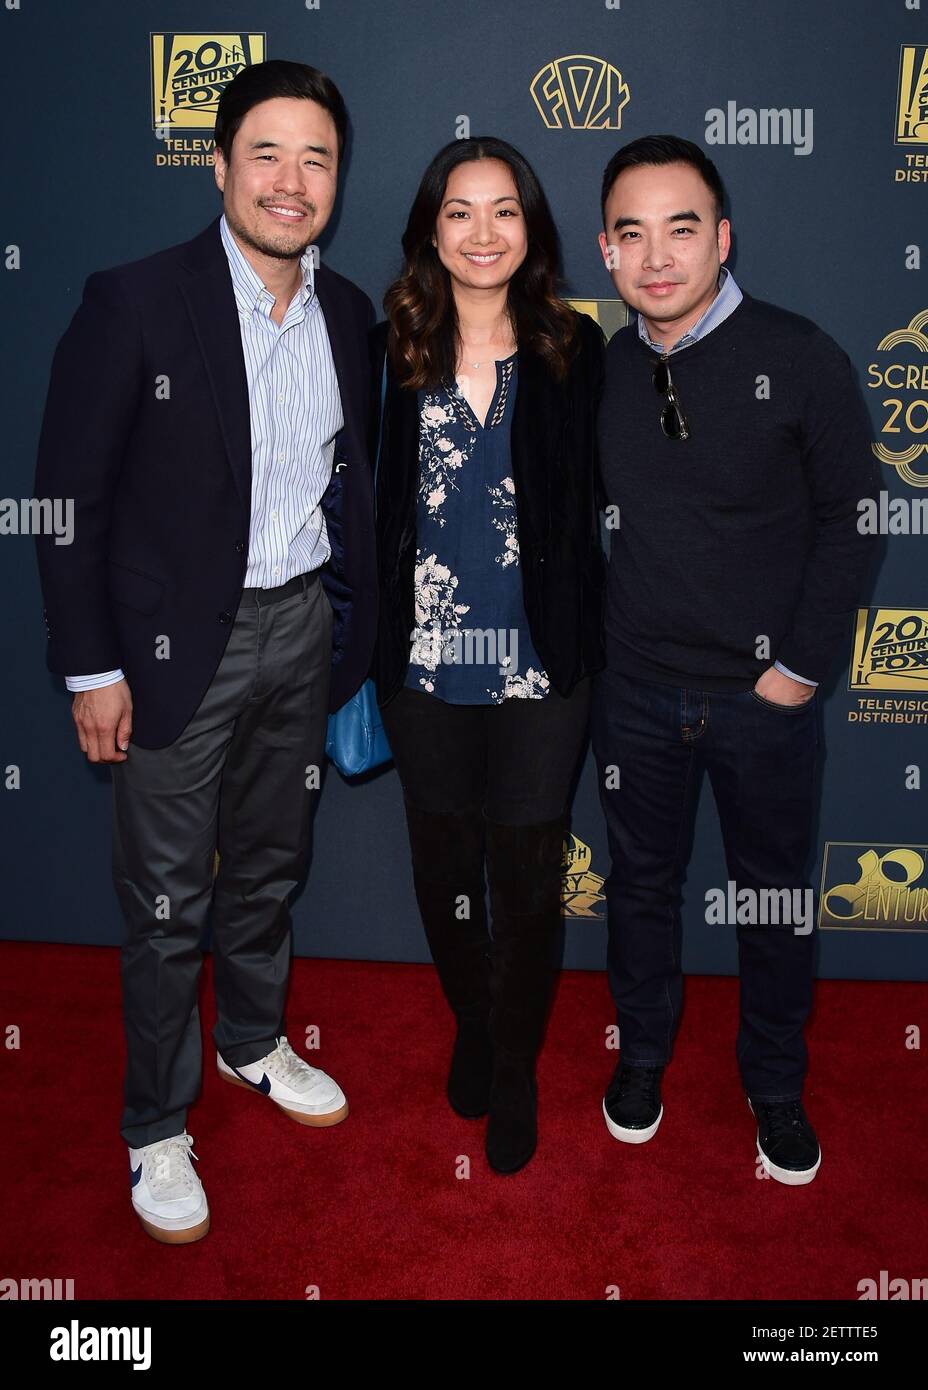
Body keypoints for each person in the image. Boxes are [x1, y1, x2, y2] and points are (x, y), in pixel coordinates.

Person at [33, 60, 378, 1242]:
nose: (292, 182)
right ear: (218, 163)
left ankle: (251, 1042)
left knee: (272, 865)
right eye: (267, 154)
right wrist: (91, 667)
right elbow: (67, 495)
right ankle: (155, 1125)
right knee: (169, 901)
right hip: (177, 645)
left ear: (339, 179)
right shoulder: (133, 300)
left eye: (317, 158)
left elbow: (352, 485)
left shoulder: (347, 314)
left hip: (302, 629)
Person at [592, 134, 878, 1184]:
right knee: (639, 890)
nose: (657, 255)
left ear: (721, 238)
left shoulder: (799, 355)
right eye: (633, 231)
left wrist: (798, 669)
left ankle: (774, 1084)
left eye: (680, 228)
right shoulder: (603, 367)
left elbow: (854, 518)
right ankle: (645, 1060)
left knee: (772, 897)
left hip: (763, 700)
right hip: (634, 692)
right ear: (606, 250)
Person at [370, 136, 606, 1174]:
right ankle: (473, 1017)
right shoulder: (388, 345)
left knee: (524, 878)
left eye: (503, 210)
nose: (481, 233)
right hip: (422, 666)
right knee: (442, 873)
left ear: (532, 229)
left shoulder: (572, 345)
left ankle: (514, 1064)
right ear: (431, 226)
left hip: (539, 667)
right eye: (459, 211)